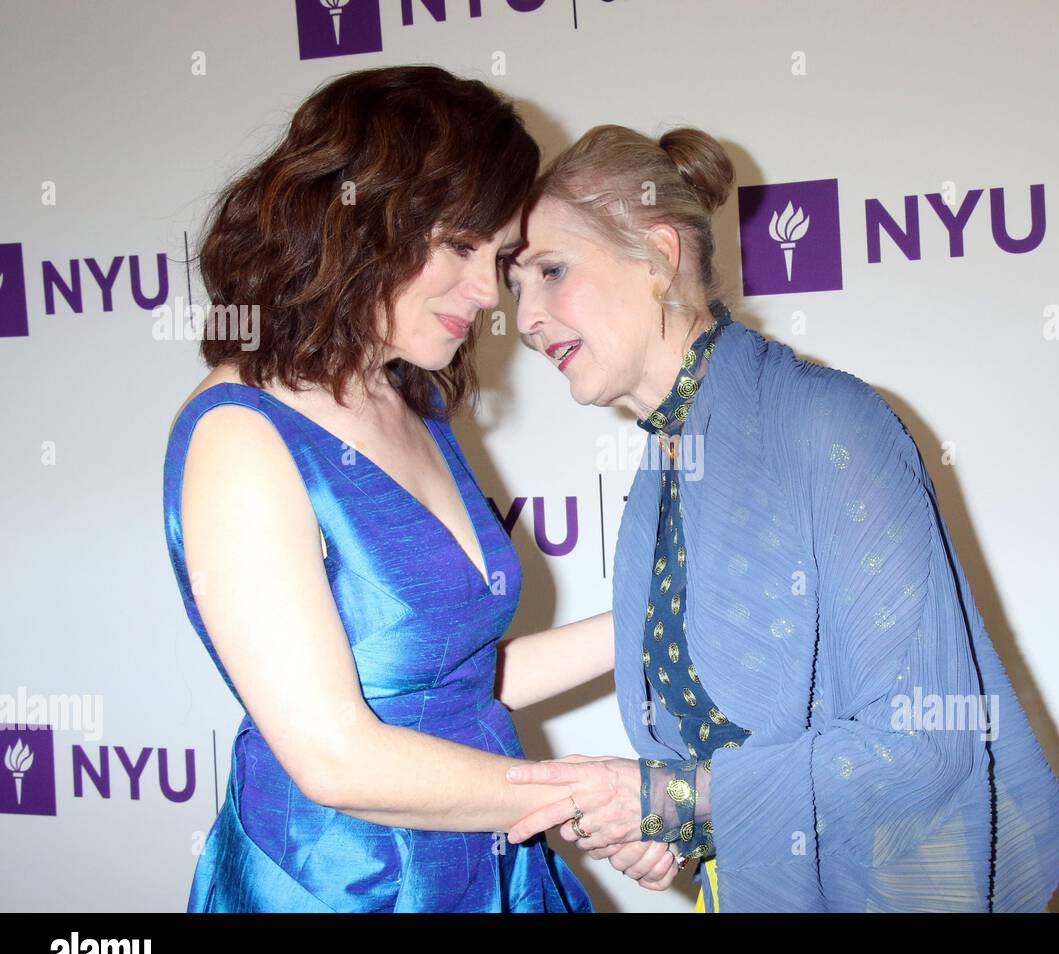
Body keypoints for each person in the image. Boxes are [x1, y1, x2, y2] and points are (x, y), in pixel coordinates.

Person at [501, 124, 1059, 912]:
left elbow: (924, 742)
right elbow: (742, 750)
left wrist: (674, 795)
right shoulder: (667, 466)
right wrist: (679, 826)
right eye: (515, 285)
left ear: (657, 256)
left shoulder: (826, 420)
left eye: (551, 272)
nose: (527, 319)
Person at [162, 67, 677, 911]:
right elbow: (335, 754)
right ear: (358, 216)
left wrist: (660, 621)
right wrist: (604, 803)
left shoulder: (412, 402)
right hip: (347, 882)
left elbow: (454, 688)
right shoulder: (240, 431)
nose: (488, 293)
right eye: (460, 246)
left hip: (487, 858)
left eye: (499, 257)